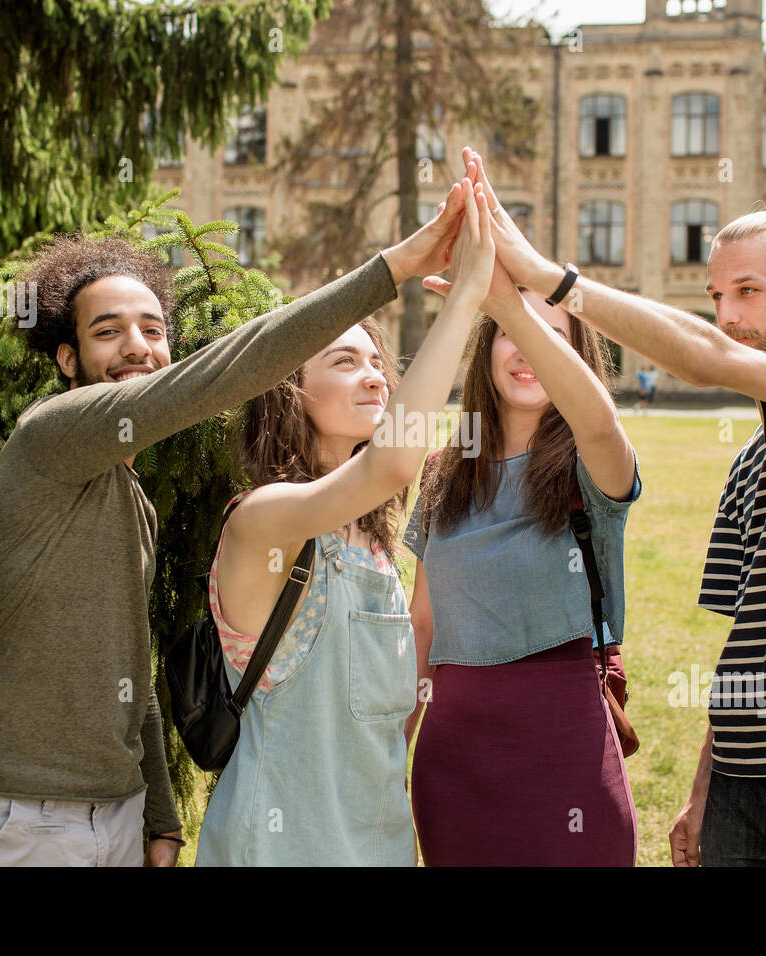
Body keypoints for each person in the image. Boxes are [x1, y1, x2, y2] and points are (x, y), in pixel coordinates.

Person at [0, 184, 469, 867]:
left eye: (154, 330)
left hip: (114, 816)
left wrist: (157, 814)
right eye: (107, 330)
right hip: (14, 816)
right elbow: (226, 379)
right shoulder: (47, 440)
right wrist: (397, 266)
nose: (137, 346)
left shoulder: (134, 503)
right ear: (66, 360)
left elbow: (130, 664)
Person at [462, 145, 766, 867]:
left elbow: (701, 357)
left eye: (748, 291)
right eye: (716, 297)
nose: (726, 315)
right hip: (744, 794)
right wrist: (705, 786)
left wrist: (544, 279)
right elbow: (750, 636)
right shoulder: (753, 455)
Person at [195, 176, 494, 866]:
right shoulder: (263, 519)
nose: (375, 378)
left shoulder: (376, 541)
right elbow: (388, 468)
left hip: (377, 844)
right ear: (289, 391)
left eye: (376, 363)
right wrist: (468, 296)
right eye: (343, 360)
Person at [403, 230, 640, 866]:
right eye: (512, 329)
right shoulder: (443, 472)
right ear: (486, 349)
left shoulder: (595, 464)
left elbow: (598, 421)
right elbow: (421, 624)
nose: (527, 347)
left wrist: (509, 305)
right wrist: (393, 752)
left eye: (550, 333)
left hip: (567, 753)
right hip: (453, 761)